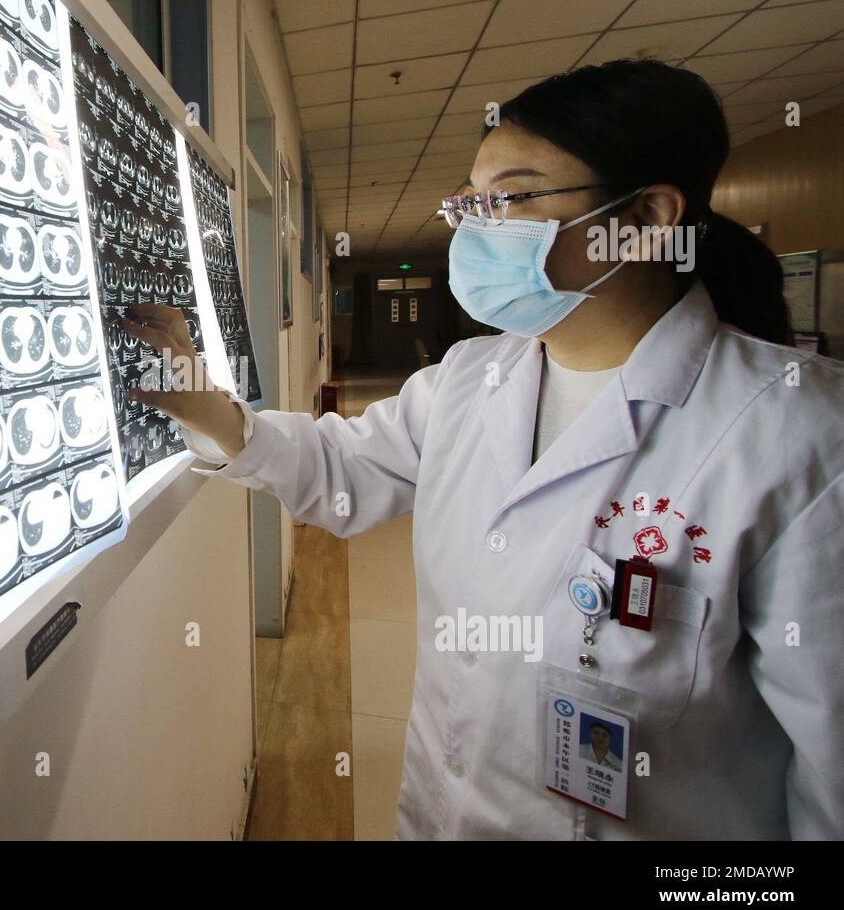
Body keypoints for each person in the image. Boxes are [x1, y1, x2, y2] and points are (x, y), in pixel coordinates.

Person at [120, 59, 844, 840]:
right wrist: (211, 409)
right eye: (470, 200)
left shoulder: (801, 437)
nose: (472, 226)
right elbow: (344, 469)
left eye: (511, 198)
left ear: (644, 218)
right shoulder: (471, 377)